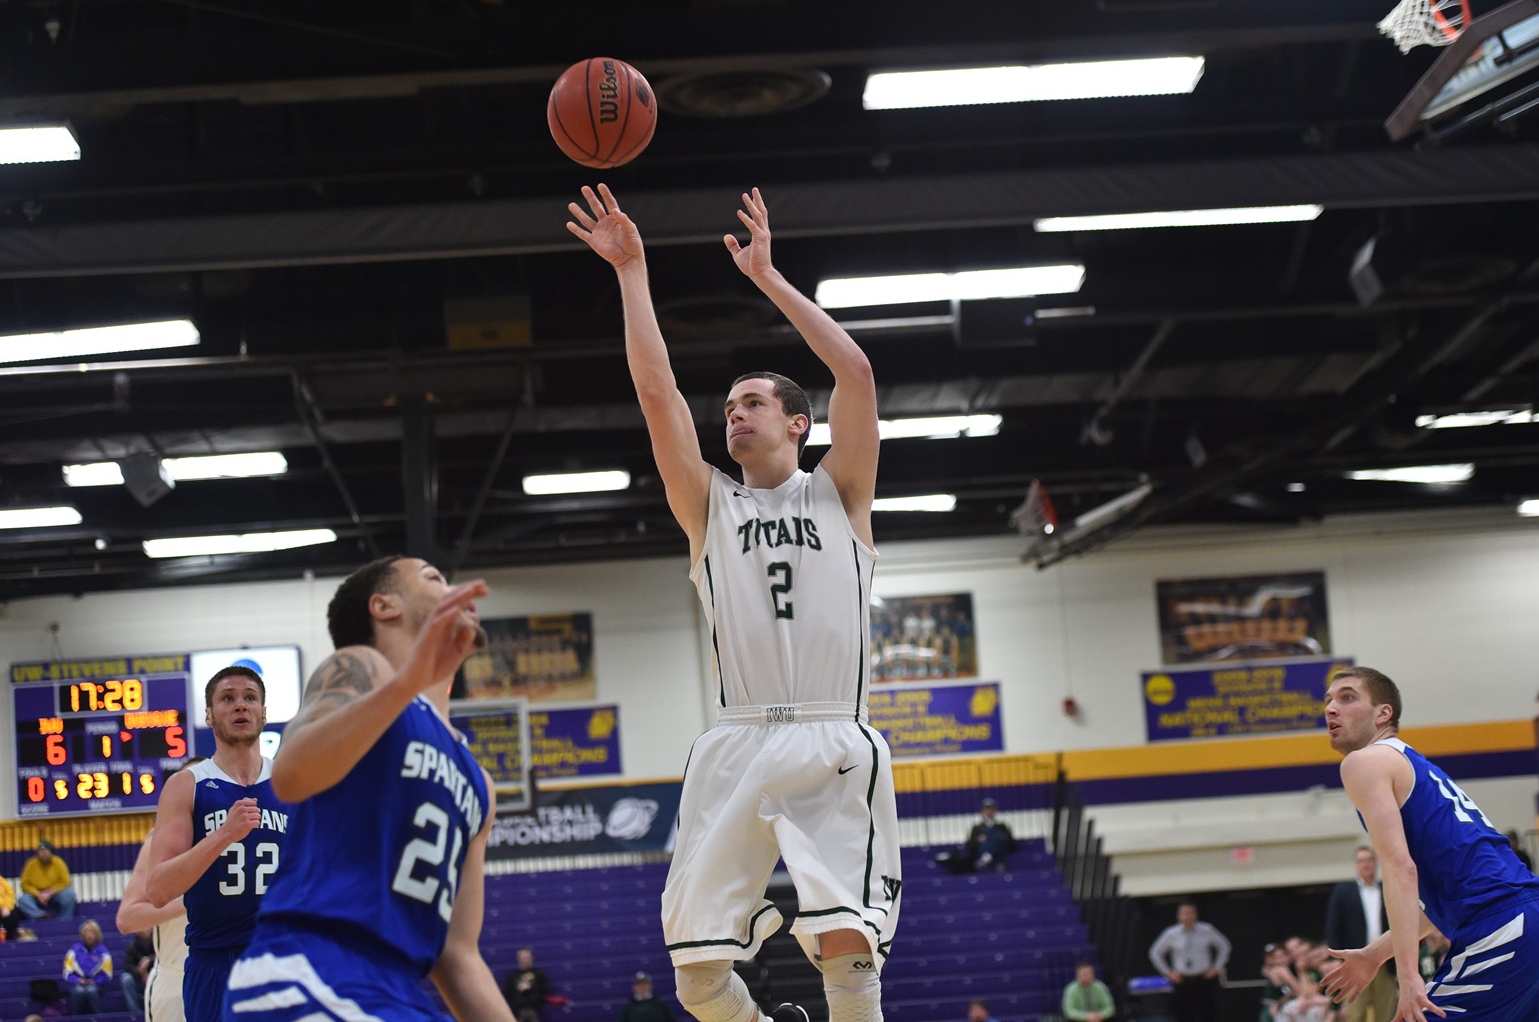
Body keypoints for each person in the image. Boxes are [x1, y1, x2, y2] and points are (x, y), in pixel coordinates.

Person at [569, 182, 901, 1022]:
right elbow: (657, 393)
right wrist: (632, 272)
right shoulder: (709, 506)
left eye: (752, 403)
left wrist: (767, 277)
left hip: (832, 730)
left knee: (847, 948)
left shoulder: (842, 492)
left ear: (798, 424)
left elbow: (855, 371)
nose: (733, 415)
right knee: (696, 977)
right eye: (728, 408)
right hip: (735, 739)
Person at [222, 557, 512, 1022]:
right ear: (384, 606)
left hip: (393, 994)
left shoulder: (478, 782)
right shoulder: (359, 667)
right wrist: (408, 681)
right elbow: (291, 774)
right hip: (308, 972)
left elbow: (458, 958)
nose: (455, 589)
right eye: (434, 578)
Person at [1320, 666, 1539, 1021]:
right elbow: (1435, 905)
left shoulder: (1365, 762)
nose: (1331, 708)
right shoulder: (1414, 764)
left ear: (1383, 713)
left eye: (1347, 697)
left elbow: (1400, 869)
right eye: (1328, 700)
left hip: (1500, 927)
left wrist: (1409, 978)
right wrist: (1375, 955)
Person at [146, 665, 288, 1022]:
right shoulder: (187, 785)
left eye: (250, 698)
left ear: (264, 713)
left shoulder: (292, 780)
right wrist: (223, 835)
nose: (240, 705)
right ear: (209, 715)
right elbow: (159, 889)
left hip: (283, 957)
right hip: (215, 962)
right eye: (227, 698)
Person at [118, 780, 197, 1022]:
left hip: (232, 968)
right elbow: (127, 919)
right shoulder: (159, 841)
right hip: (176, 979)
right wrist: (190, 901)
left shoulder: (239, 833)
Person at [1323, 845, 1395, 1022]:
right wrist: (1336, 959)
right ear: (1356, 864)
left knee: (1386, 1010)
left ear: (1376, 863)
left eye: (1370, 860)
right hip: (1356, 960)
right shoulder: (1343, 891)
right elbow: (1334, 926)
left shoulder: (1388, 887)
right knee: (1356, 1012)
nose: (1366, 864)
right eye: (1362, 861)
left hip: (1386, 959)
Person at [1147, 901, 1230, 1022]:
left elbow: (1224, 946)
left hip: (1204, 978)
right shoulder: (1171, 933)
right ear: (1179, 916)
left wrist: (1217, 967)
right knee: (1184, 1015)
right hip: (1182, 980)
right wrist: (1167, 972)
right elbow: (1155, 953)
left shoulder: (1206, 930)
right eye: (1184, 913)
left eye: (1190, 913)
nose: (1187, 916)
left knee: (1208, 1014)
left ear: (1195, 915)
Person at [62, 918, 112, 1015]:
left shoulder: (103, 952)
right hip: (78, 983)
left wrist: (95, 981)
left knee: (91, 990)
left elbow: (107, 974)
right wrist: (77, 980)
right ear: (82, 934)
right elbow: (67, 972)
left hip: (97, 984)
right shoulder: (74, 950)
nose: (89, 935)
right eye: (87, 932)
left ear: (97, 934)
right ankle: (75, 1017)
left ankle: (99, 1016)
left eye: (92, 932)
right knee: (78, 991)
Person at [17, 839, 77, 920]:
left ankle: (65, 920)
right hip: (36, 895)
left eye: (45, 851)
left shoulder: (59, 862)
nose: (43, 854)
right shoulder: (31, 864)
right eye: (40, 851)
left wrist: (49, 893)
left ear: (51, 852)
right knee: (23, 900)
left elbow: (66, 882)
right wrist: (37, 894)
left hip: (55, 893)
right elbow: (24, 884)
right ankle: (40, 916)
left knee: (69, 894)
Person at [503, 946, 553, 1022]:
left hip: (534, 1008)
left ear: (531, 958)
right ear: (518, 959)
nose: (525, 960)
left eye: (527, 957)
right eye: (523, 958)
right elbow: (508, 992)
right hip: (518, 1010)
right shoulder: (512, 975)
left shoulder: (538, 973)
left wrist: (531, 986)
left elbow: (546, 987)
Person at [965, 799, 1016, 872]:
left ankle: (987, 856)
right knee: (988, 834)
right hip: (981, 851)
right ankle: (995, 860)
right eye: (987, 809)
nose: (989, 812)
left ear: (995, 810)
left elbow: (1011, 843)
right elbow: (970, 846)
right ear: (982, 811)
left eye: (991, 809)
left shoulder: (1002, 826)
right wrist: (978, 840)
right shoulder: (976, 828)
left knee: (994, 836)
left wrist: (998, 838)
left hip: (1000, 851)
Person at [122, 928, 156, 1019]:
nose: (143, 929)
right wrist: (141, 972)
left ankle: (156, 1011)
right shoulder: (132, 946)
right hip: (139, 979)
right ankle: (135, 1014)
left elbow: (163, 958)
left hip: (157, 976)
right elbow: (128, 966)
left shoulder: (157, 942)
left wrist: (149, 960)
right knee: (126, 979)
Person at [0, 864, 24, 940]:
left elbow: (10, 892)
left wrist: (7, 907)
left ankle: (11, 941)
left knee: (13, 915)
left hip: (5, 908)